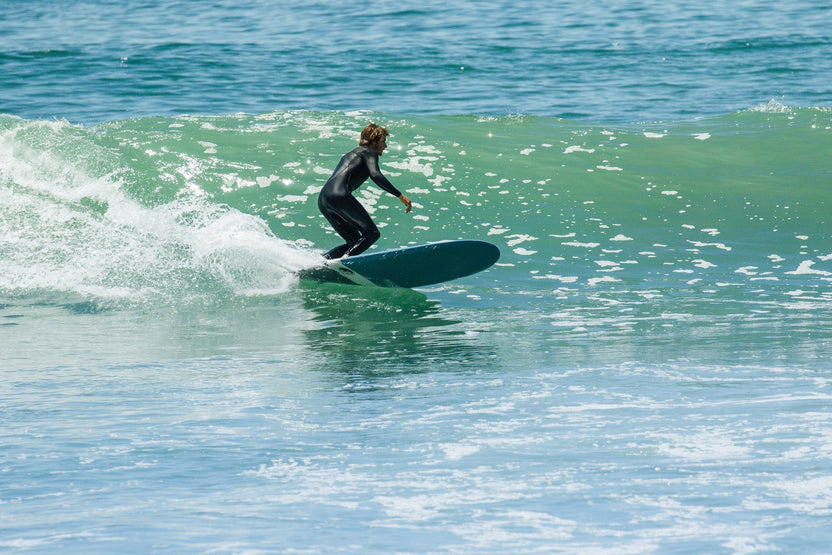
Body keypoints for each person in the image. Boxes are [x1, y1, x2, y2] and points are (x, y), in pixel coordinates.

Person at [317, 123, 412, 259]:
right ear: (374, 142)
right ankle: (345, 260)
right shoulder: (369, 151)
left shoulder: (352, 154)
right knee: (372, 233)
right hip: (339, 195)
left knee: (354, 242)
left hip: (323, 199)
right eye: (383, 141)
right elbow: (375, 175)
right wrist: (400, 195)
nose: (385, 146)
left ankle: (320, 263)